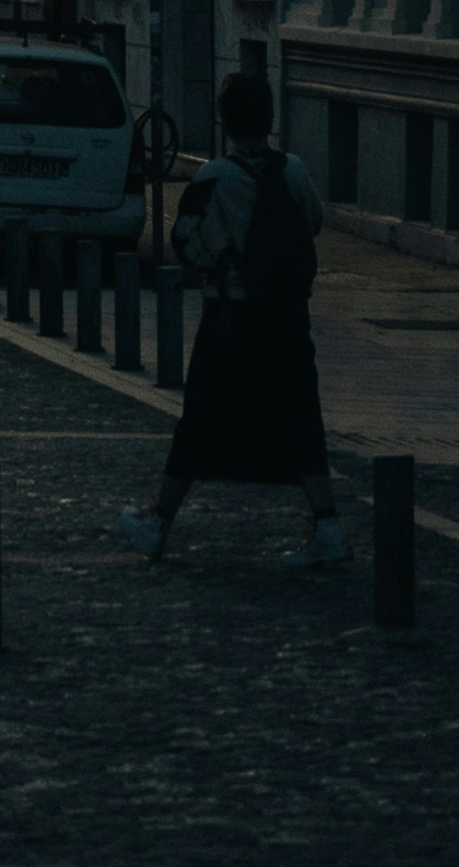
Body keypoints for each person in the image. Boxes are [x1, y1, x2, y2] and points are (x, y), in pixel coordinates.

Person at [120, 71, 345, 566]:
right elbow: (313, 221)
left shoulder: (213, 178)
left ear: (226, 121)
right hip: (286, 317)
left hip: (232, 317)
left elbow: (185, 240)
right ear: (269, 118)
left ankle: (159, 520)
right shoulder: (293, 170)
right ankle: (327, 525)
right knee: (301, 418)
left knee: (201, 419)